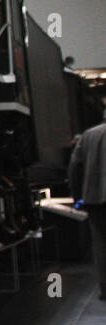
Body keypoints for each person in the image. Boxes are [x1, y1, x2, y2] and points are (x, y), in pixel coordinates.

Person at [69, 108, 106, 300]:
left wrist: (77, 198)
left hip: (95, 198)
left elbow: (75, 168)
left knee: (100, 243)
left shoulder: (88, 136)